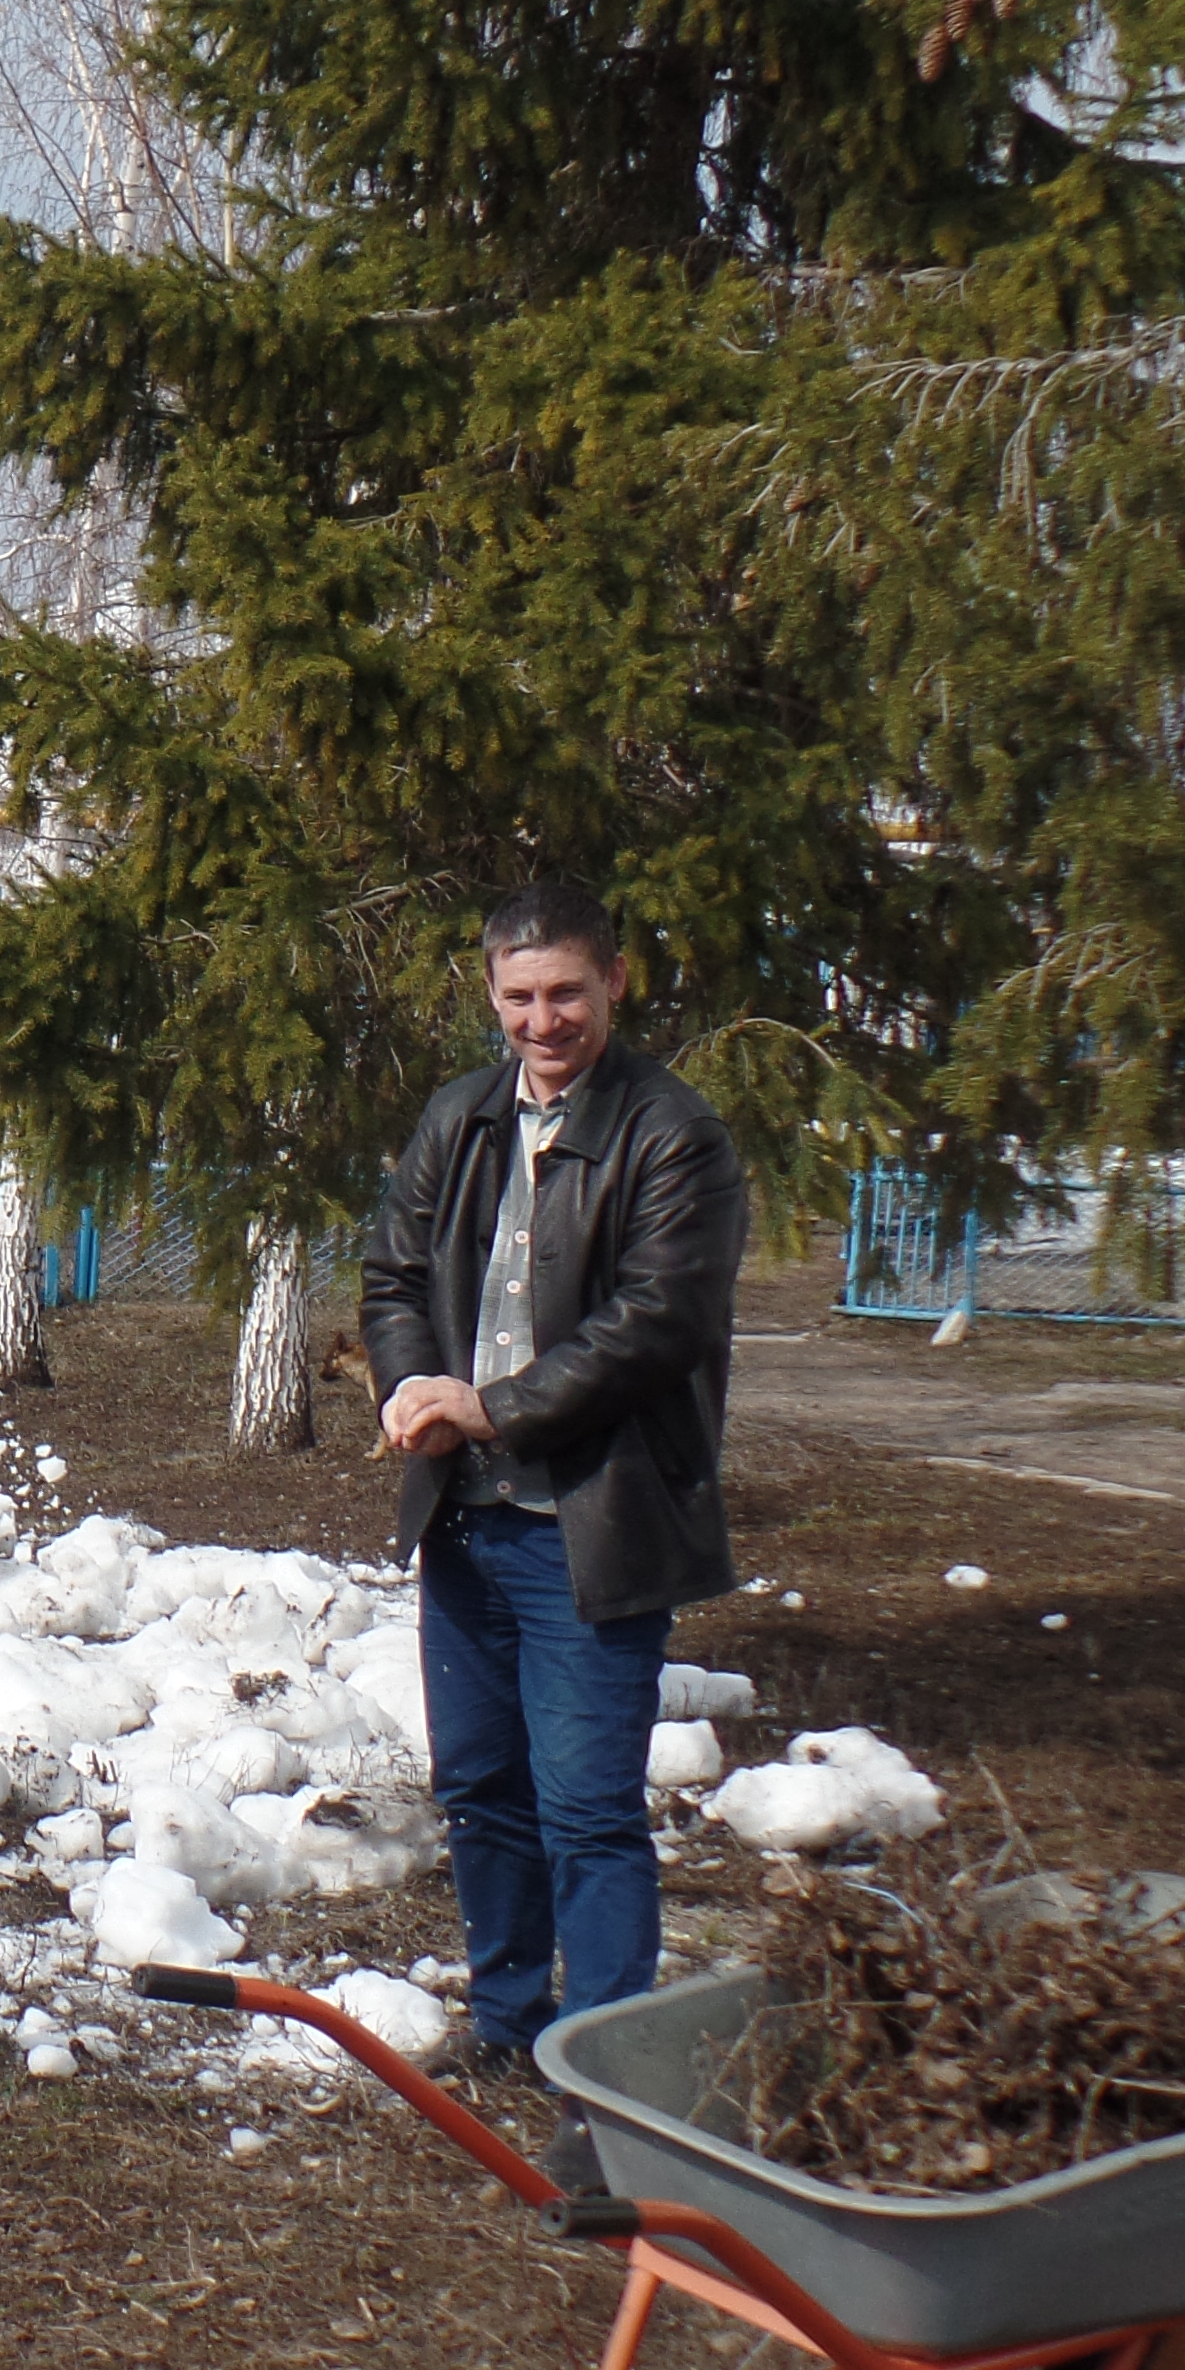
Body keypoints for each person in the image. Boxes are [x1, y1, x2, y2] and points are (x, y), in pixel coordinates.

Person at [358, 880, 744, 2191]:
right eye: (519, 998)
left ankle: (609, 2084)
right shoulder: (458, 1120)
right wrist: (415, 1389)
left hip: (593, 1529)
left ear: (616, 984)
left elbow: (656, 1325)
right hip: (466, 1524)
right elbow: (394, 1275)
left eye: (565, 994)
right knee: (481, 1791)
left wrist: (495, 1407)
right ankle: (510, 2022)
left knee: (587, 1812)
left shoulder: (674, 1138)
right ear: (491, 995)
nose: (543, 1021)